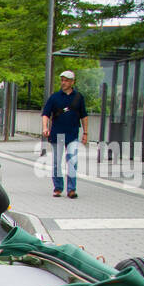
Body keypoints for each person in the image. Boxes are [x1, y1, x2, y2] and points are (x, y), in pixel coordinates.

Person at [41, 70, 89, 199]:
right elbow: (46, 114)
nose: (63, 82)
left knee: (72, 161)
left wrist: (85, 133)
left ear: (72, 82)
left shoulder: (79, 97)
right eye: (62, 80)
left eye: (66, 80)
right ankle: (58, 187)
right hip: (57, 134)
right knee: (57, 161)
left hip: (73, 133)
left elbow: (84, 116)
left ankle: (71, 189)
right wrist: (45, 127)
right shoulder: (55, 97)